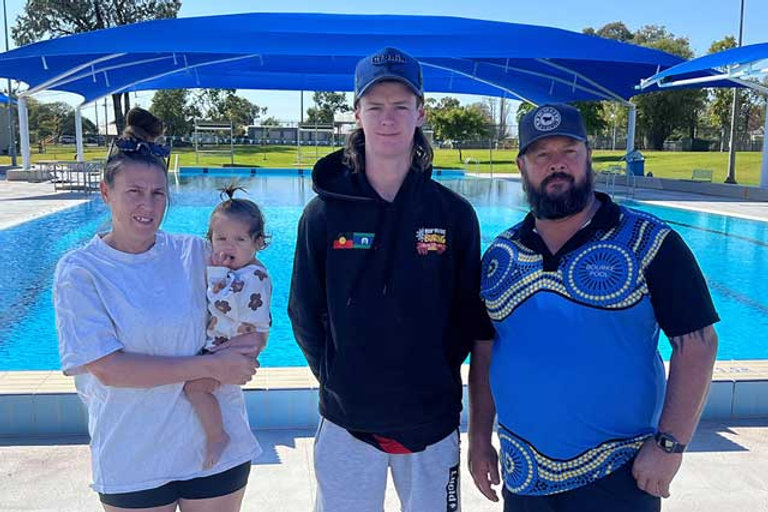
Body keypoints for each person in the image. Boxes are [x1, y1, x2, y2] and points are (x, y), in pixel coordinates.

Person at [468, 103, 719, 512]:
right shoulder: (501, 257)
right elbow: (484, 351)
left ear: (588, 155)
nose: (556, 165)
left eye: (568, 150)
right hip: (523, 474)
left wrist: (670, 447)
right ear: (522, 166)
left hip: (619, 474)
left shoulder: (648, 242)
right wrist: (479, 441)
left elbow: (699, 343)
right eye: (542, 155)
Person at [288, 47, 494, 512]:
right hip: (346, 421)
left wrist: (433, 371)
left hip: (431, 420)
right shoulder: (323, 213)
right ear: (357, 113)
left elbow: (468, 316)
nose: (388, 119)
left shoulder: (454, 215)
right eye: (375, 106)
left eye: (401, 106)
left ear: (420, 113)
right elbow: (303, 310)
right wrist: (340, 379)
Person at [53, 107, 262, 512]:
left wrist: (248, 348)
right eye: (134, 191)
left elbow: (249, 294)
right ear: (105, 192)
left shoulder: (194, 252)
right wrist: (209, 368)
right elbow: (111, 370)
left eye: (158, 192)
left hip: (216, 449)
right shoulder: (80, 272)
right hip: (134, 455)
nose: (147, 204)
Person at [185, 185, 272, 470]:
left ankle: (216, 435)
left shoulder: (251, 276)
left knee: (195, 388)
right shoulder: (244, 271)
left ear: (257, 242)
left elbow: (224, 304)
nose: (227, 247)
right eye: (220, 238)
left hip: (240, 345)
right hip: (240, 341)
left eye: (239, 239)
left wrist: (216, 271)